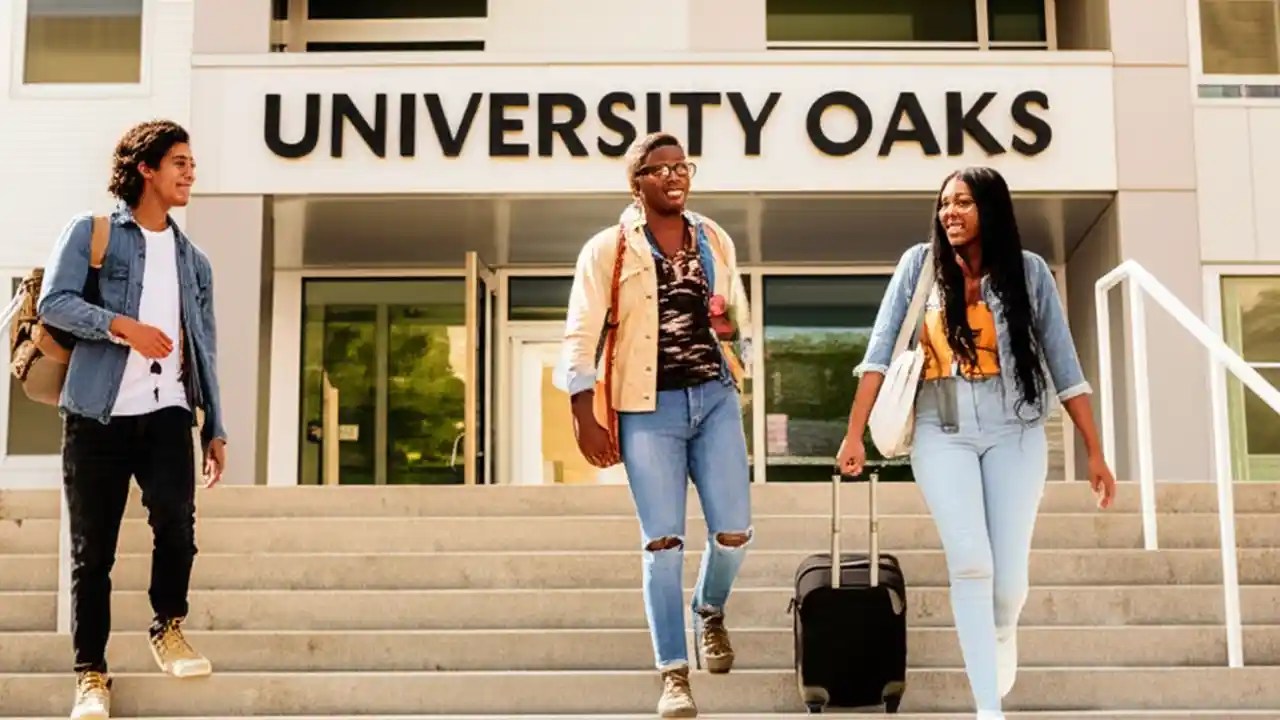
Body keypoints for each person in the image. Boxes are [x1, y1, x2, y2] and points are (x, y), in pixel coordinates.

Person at [836, 166, 1117, 720]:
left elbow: (1064, 362)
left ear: (990, 207)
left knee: (1007, 582)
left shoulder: (1029, 272)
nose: (950, 213)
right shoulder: (919, 267)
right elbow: (879, 350)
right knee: (969, 563)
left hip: (1016, 428)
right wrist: (853, 434)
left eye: (963, 202)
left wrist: (1094, 450)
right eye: (944, 203)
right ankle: (988, 707)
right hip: (943, 432)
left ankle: (1003, 630)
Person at [556, 131, 754, 718]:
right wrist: (582, 413)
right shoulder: (608, 248)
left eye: (682, 166)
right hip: (648, 407)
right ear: (636, 181)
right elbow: (581, 333)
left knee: (734, 533)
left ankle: (709, 608)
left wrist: (733, 344)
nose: (675, 175)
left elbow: (736, 313)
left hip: (714, 398)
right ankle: (674, 673)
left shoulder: (714, 237)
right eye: (661, 167)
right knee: (663, 542)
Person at [37, 119, 227, 720]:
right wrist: (123, 328)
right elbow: (54, 302)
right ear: (146, 168)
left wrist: (215, 425)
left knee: (177, 523)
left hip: (167, 411)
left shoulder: (195, 261)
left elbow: (204, 346)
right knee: (93, 553)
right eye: (179, 162)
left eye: (192, 162)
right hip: (97, 413)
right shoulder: (93, 232)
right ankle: (91, 674)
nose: (190, 172)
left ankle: (167, 626)